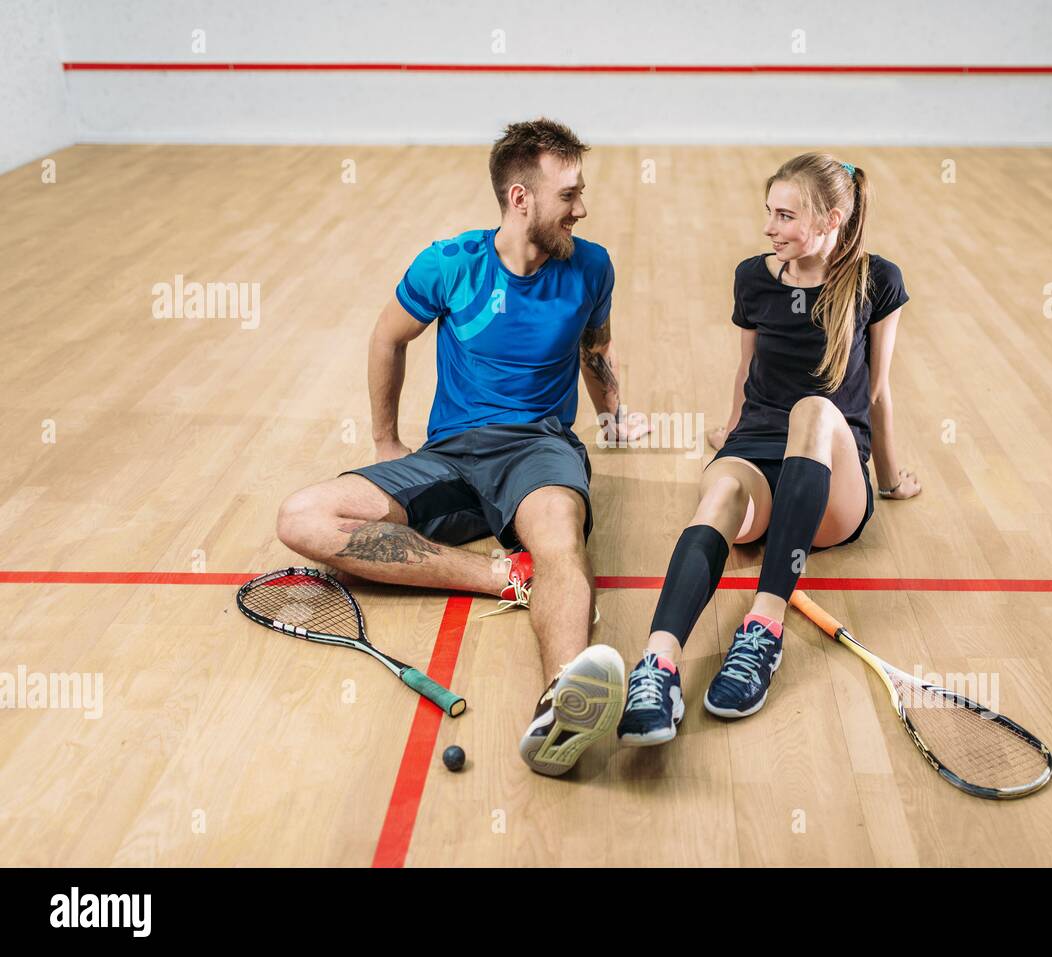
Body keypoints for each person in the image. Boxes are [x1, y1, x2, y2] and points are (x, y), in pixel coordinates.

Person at [276, 118, 646, 777]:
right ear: (520, 198)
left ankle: (563, 701)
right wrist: (387, 440)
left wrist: (612, 415)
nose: (581, 209)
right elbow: (387, 338)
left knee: (560, 542)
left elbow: (595, 347)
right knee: (302, 515)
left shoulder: (591, 266)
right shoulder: (450, 264)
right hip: (448, 457)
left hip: (540, 449)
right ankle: (499, 575)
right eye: (569, 195)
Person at [616, 153, 921, 746]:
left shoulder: (878, 280)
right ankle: (657, 665)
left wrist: (887, 479)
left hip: (831, 478)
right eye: (768, 213)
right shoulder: (753, 278)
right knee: (722, 489)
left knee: (811, 409)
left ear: (831, 217)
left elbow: (878, 393)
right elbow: (746, 367)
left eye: (785, 215)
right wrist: (730, 431)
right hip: (758, 447)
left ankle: (763, 629)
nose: (769, 228)